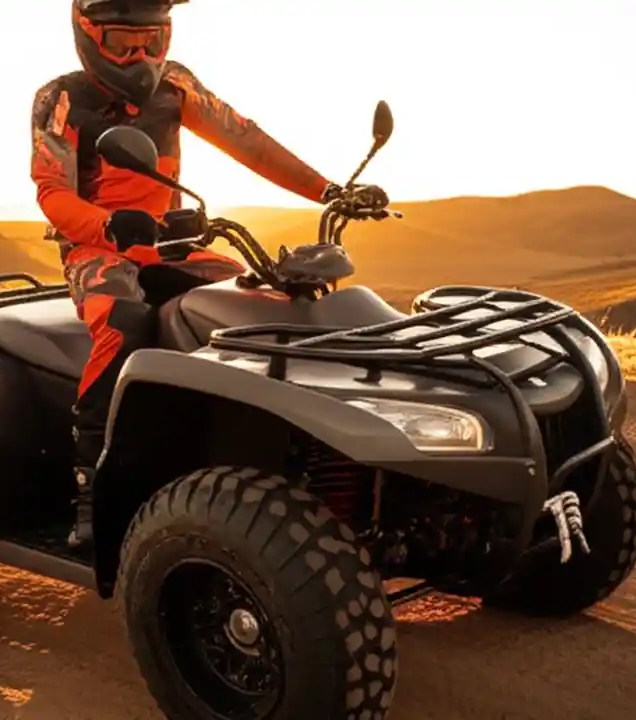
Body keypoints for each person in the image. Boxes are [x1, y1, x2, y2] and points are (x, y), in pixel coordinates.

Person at [30, 0, 383, 549]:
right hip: (100, 249)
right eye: (124, 43)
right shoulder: (61, 99)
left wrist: (331, 190)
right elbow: (52, 191)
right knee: (122, 323)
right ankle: (91, 493)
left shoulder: (177, 85)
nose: (141, 55)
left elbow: (247, 141)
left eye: (153, 40)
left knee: (258, 304)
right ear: (87, 33)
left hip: (177, 244)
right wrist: (108, 227)